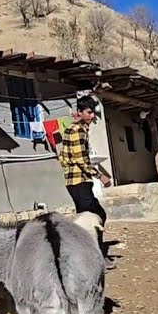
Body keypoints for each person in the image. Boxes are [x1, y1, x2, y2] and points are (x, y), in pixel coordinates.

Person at [58, 95, 113, 265]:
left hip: (78, 181)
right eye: (89, 112)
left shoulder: (79, 129)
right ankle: (92, 257)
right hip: (78, 181)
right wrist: (100, 176)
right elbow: (80, 160)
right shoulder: (76, 131)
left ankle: (91, 255)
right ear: (80, 113)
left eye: (93, 113)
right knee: (93, 218)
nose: (92, 116)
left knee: (92, 217)